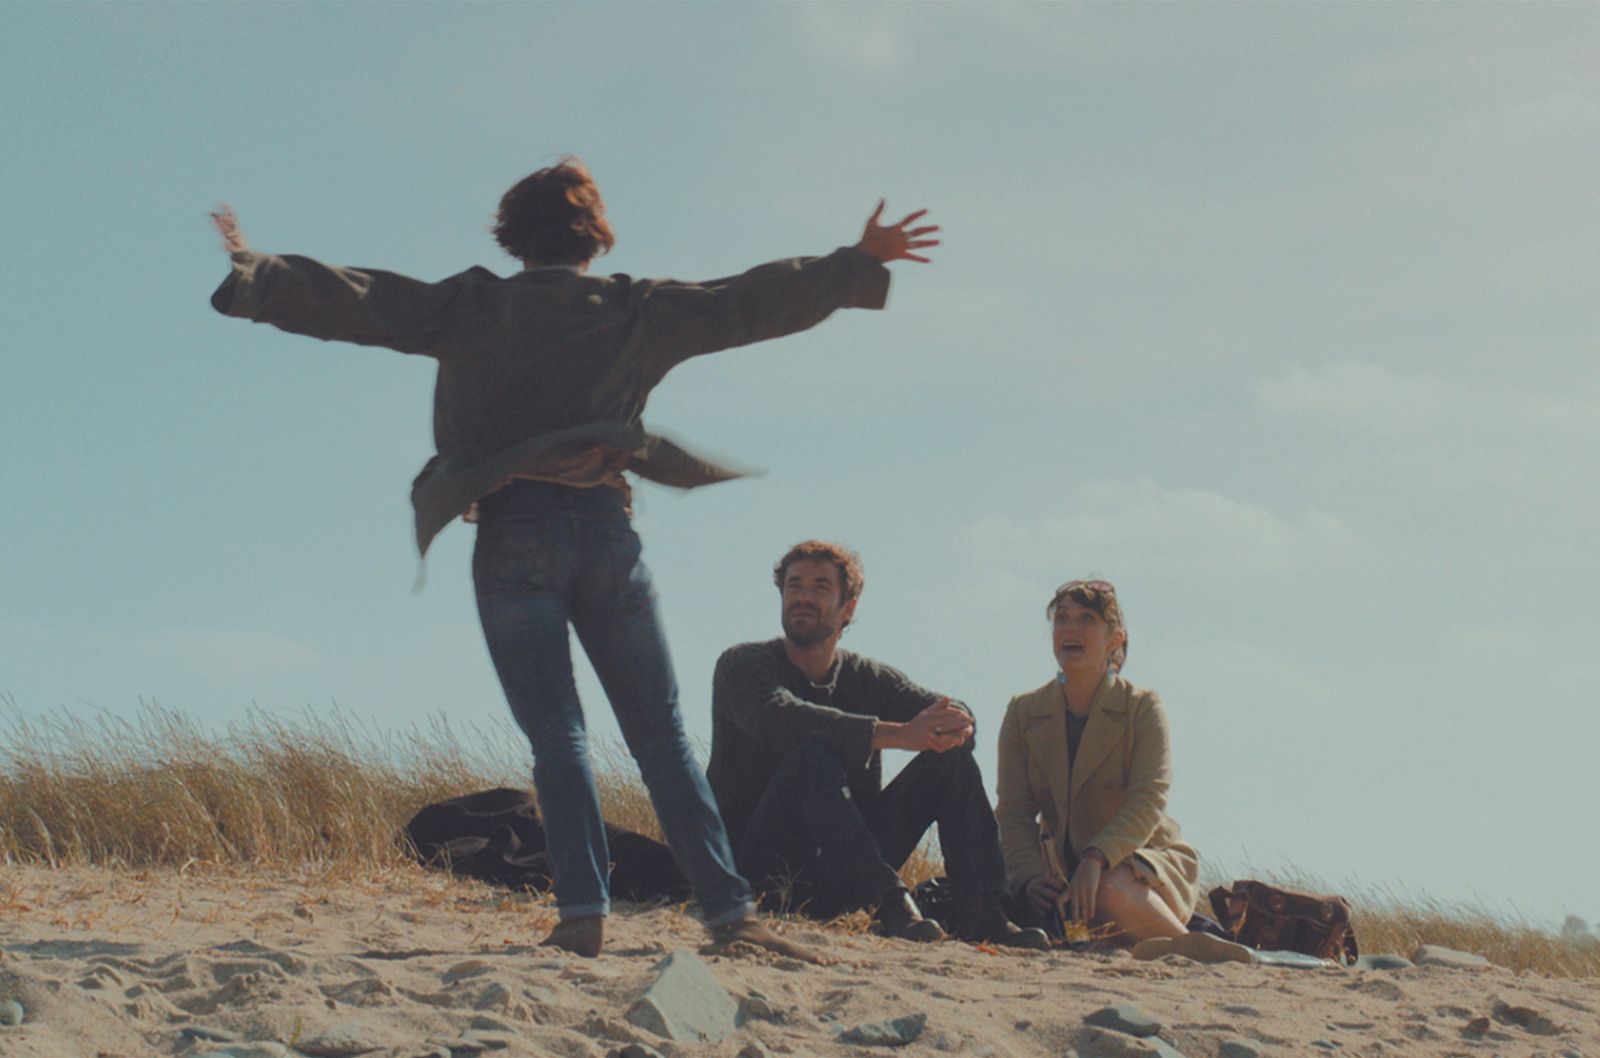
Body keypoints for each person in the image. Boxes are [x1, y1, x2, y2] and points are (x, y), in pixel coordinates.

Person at [207, 158, 940, 960]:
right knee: (659, 736)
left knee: (558, 736)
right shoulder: (634, 307)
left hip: (513, 532)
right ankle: (730, 916)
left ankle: (584, 910)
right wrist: (855, 263)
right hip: (603, 531)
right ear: (592, 235)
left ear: (512, 234)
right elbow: (742, 305)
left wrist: (258, 271)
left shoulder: (471, 304)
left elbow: (363, 300)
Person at [707, 540, 1049, 949]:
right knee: (812, 754)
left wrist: (952, 722)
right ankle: (890, 904)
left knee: (951, 759)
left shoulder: (866, 676)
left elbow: (941, 706)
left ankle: (984, 912)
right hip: (760, 870)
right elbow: (780, 718)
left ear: (848, 607)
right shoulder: (743, 664)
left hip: (844, 872)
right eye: (794, 585)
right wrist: (900, 735)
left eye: (820, 587)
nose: (803, 596)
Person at [994, 579, 1206, 948]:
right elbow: (1013, 811)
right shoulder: (1023, 712)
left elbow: (1148, 800)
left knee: (1111, 888)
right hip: (1065, 880)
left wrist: (1096, 859)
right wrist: (1029, 877)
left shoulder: (1142, 707)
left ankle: (1196, 953)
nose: (1070, 628)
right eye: (1061, 618)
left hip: (1144, 865)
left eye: (1087, 618)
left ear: (1115, 639)